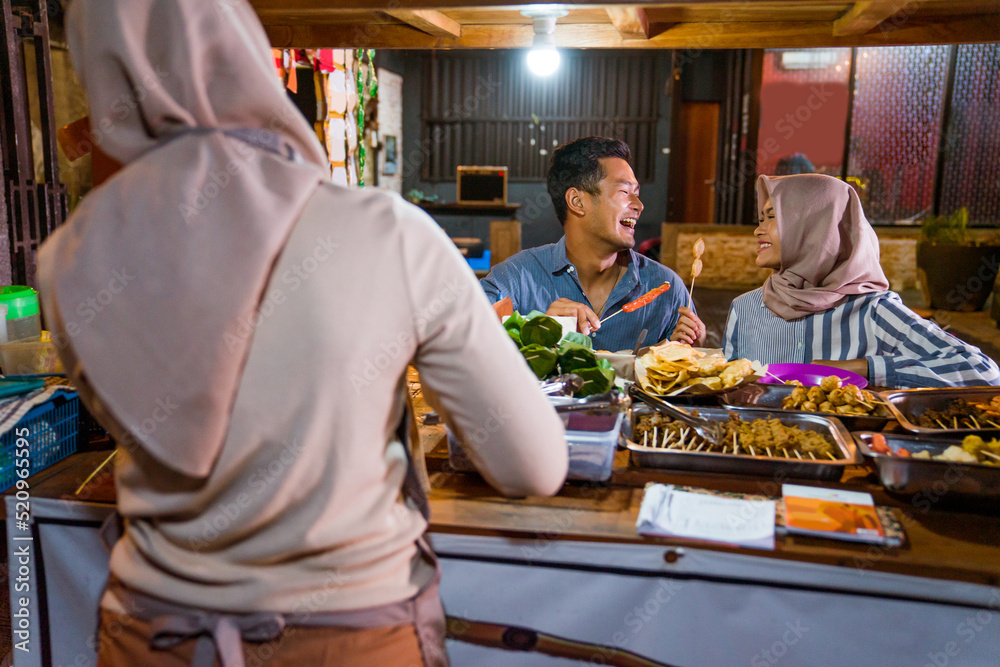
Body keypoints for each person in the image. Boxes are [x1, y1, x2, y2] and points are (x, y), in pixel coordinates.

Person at [37, 1, 568, 666]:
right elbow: (533, 465)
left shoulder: (66, 262)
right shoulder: (387, 232)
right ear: (243, 52)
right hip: (350, 635)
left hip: (152, 633)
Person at [724, 174, 1000, 388]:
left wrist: (863, 368)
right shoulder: (745, 308)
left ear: (816, 227)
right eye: (761, 218)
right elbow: (722, 385)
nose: (758, 230)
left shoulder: (873, 311)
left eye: (772, 217)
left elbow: (981, 370)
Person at [480, 137, 706, 351]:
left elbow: (687, 379)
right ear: (577, 202)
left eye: (637, 194)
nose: (639, 205)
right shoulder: (515, 279)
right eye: (625, 192)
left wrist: (690, 355)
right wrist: (538, 330)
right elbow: (465, 344)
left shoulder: (667, 290)